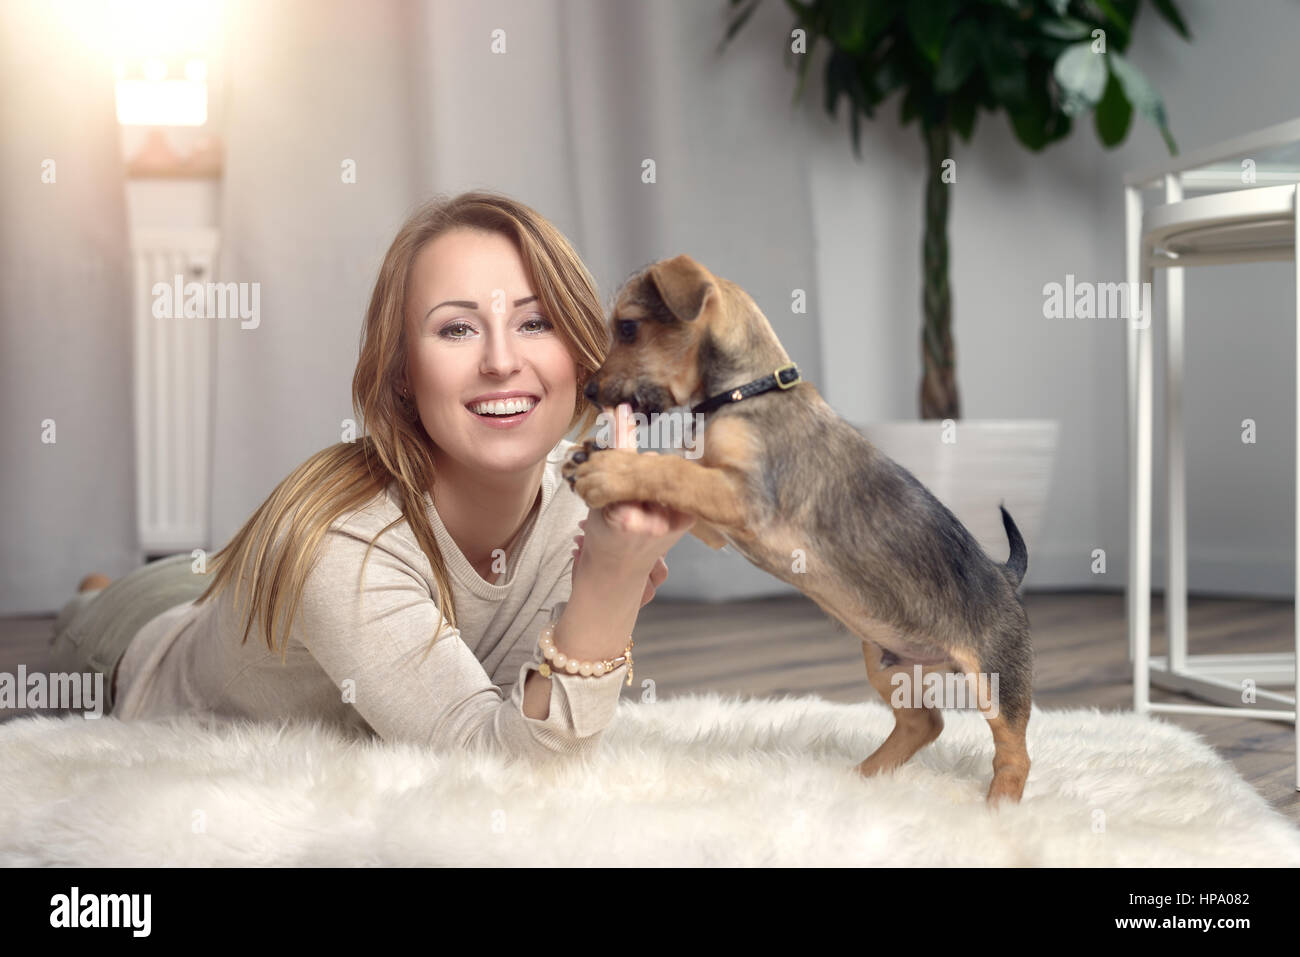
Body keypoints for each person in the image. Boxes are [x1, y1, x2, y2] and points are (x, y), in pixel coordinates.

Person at [48, 190, 695, 759]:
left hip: (224, 589)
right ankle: (96, 591)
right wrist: (608, 586)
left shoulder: (582, 501)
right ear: (403, 376)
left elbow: (521, 706)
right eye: (458, 328)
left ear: (584, 356)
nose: (502, 360)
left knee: (215, 586)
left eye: (534, 321)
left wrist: (604, 576)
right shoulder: (341, 547)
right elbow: (502, 773)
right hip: (131, 638)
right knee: (106, 602)